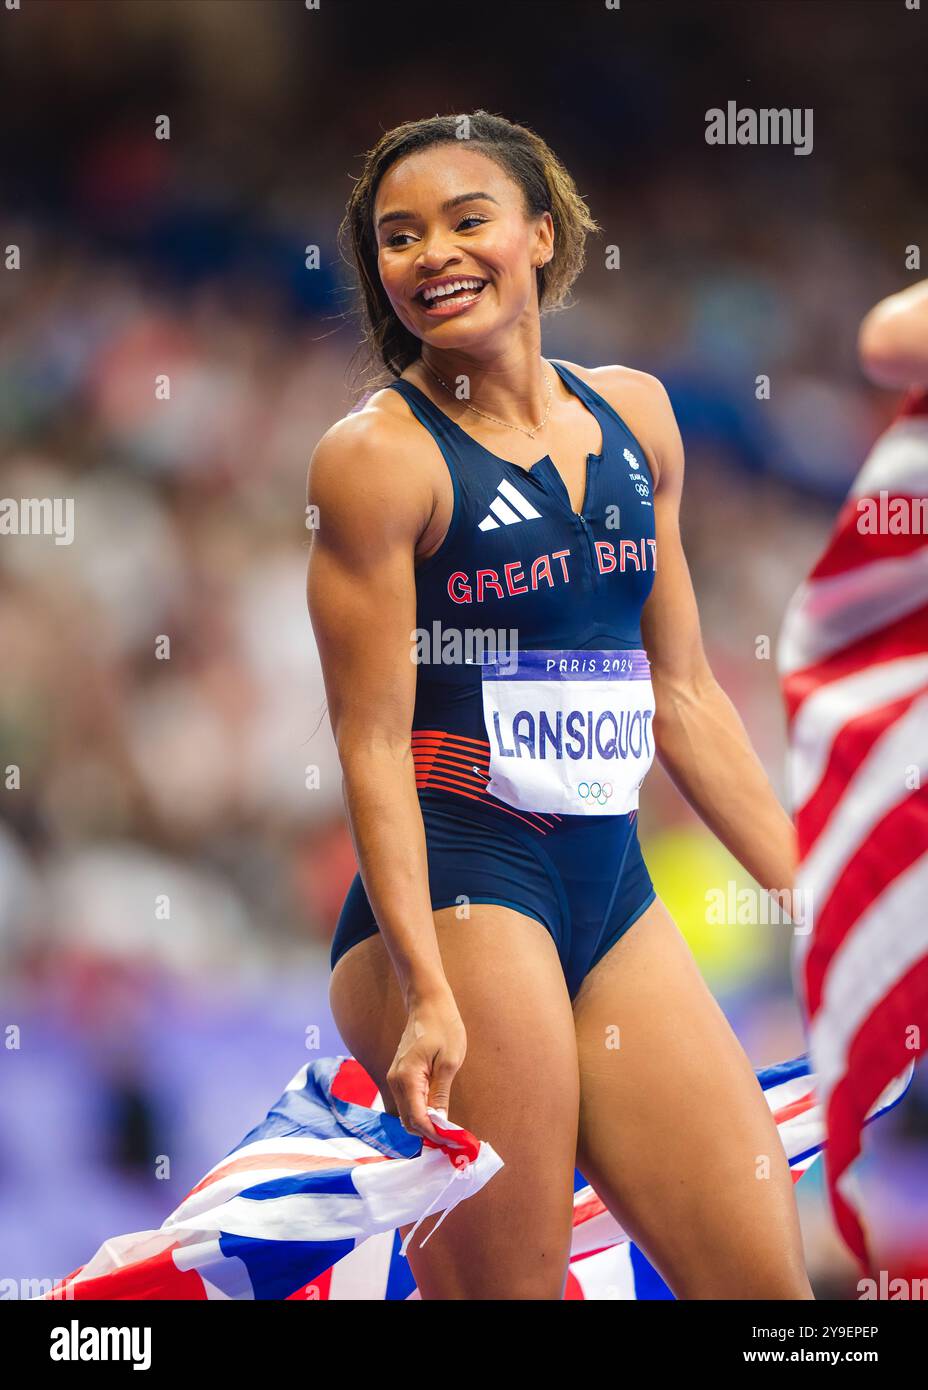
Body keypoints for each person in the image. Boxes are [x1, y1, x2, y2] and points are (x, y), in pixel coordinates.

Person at [306, 111, 813, 1300]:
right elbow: (370, 740)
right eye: (398, 237)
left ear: (542, 233)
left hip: (607, 882)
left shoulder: (636, 415)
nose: (431, 253)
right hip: (459, 888)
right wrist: (424, 985)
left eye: (466, 220)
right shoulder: (379, 459)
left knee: (772, 1299)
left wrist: (819, 901)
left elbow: (682, 695)